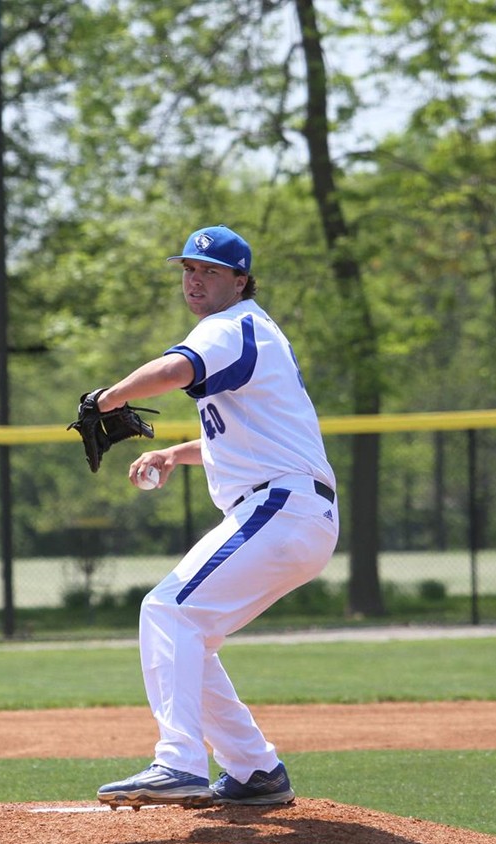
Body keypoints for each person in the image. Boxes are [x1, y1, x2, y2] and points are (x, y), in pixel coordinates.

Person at [93, 224, 339, 808]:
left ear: (241, 280)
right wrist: (173, 454)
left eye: (210, 271)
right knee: (189, 631)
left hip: (281, 507)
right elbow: (247, 438)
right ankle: (255, 771)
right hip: (289, 511)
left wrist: (107, 399)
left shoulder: (229, 327)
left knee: (168, 610)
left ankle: (178, 762)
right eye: (188, 269)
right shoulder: (251, 332)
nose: (195, 280)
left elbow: (174, 370)